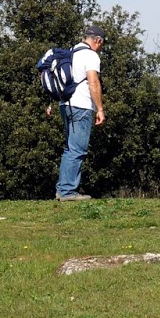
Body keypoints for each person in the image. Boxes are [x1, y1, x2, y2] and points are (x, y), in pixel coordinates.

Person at [53, 26, 105, 201]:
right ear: (98, 40)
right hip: (81, 106)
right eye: (101, 44)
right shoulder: (91, 55)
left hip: (64, 104)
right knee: (77, 149)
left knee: (69, 148)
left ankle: (62, 189)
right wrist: (100, 109)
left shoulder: (70, 52)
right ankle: (68, 192)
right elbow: (93, 82)